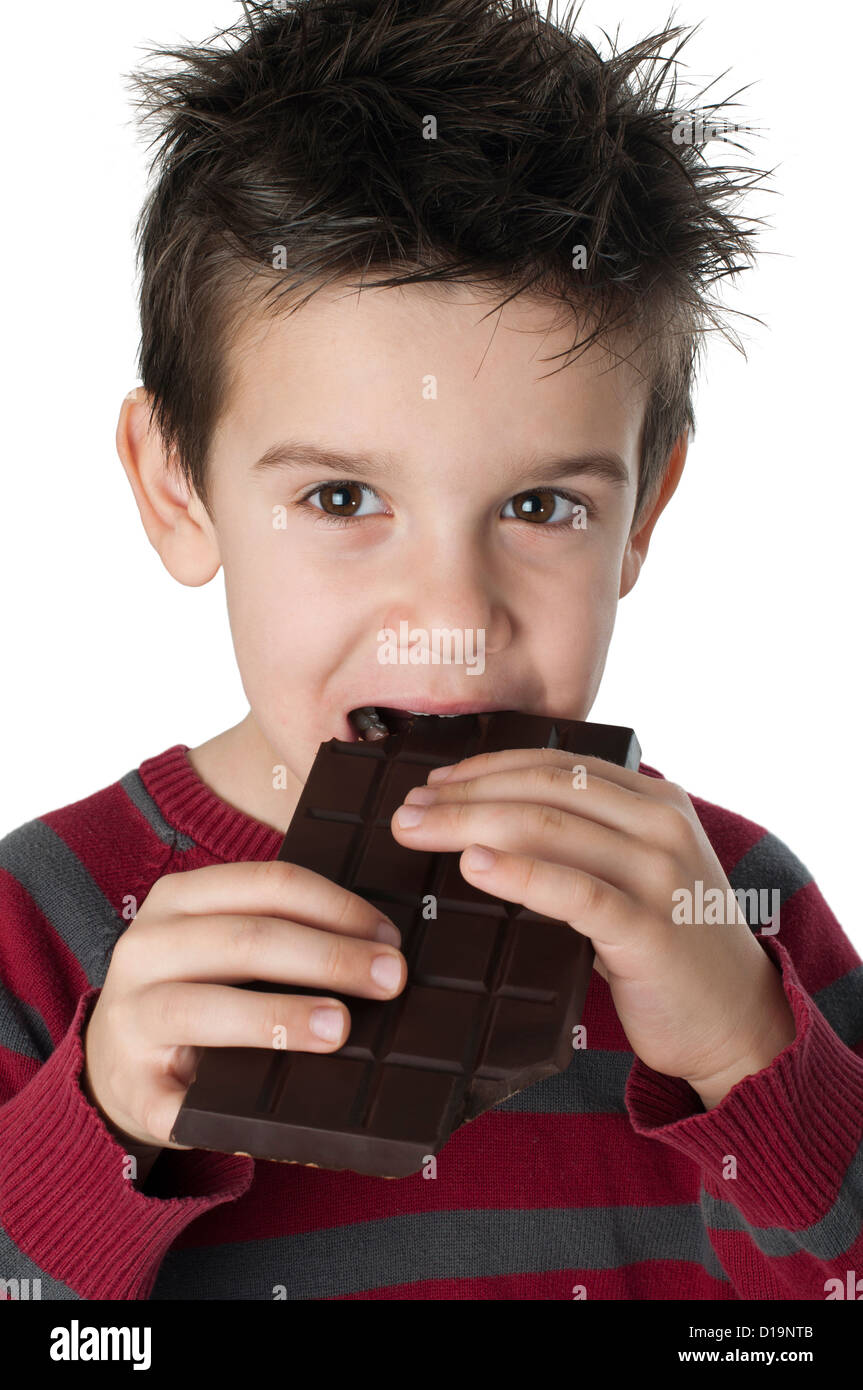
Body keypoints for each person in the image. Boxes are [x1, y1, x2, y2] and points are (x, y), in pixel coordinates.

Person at [1, 0, 860, 1301]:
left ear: (644, 513)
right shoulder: (44, 926)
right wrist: (101, 1125)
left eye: (540, 507)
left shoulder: (733, 907)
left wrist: (753, 1061)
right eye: (343, 499)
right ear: (176, 487)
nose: (446, 611)